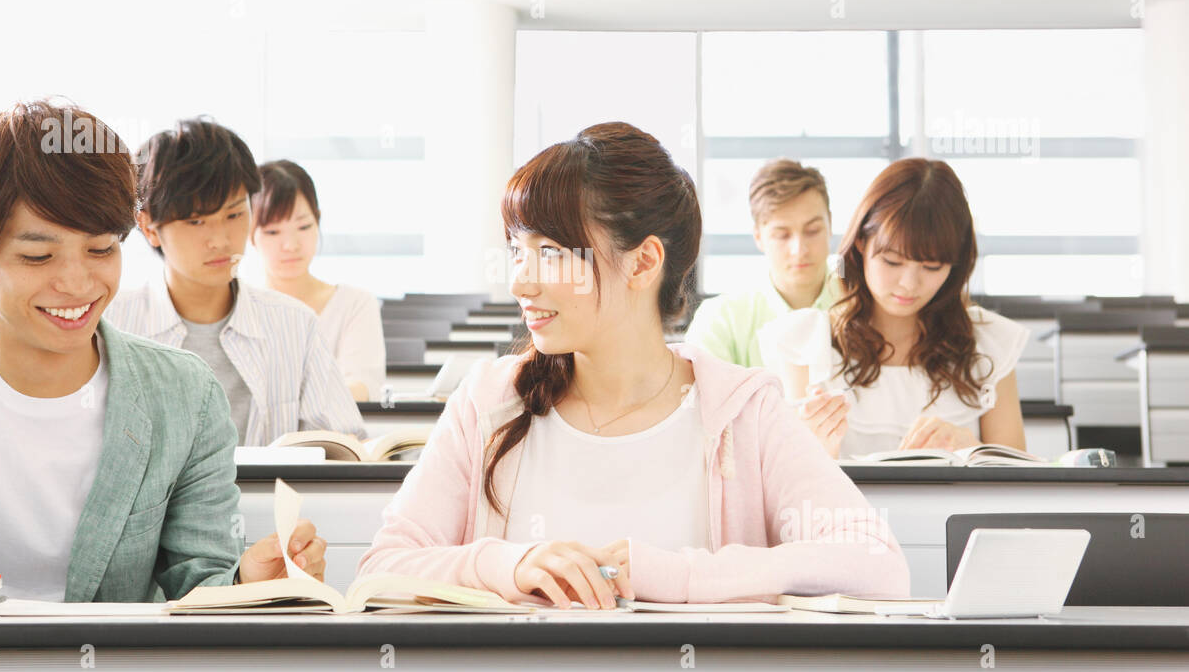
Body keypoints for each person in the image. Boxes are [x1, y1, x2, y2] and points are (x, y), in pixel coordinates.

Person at [356, 122, 908, 607]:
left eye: (550, 253)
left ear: (643, 262)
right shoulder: (489, 403)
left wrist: (679, 574)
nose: (520, 281)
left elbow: (878, 565)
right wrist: (508, 566)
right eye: (518, 251)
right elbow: (382, 569)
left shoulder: (742, 411)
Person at [0, 101, 327, 610]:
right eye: (38, 256)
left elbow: (199, 580)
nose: (77, 284)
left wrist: (246, 585)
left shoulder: (185, 395)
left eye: (101, 250)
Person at [105, 119, 364, 447]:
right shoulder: (112, 327)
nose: (220, 240)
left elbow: (344, 447)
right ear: (149, 227)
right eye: (196, 221)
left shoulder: (295, 325)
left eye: (233, 215)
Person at [759, 158, 1028, 460]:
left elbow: (1018, 485)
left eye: (931, 266)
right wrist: (818, 451)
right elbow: (786, 486)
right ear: (861, 242)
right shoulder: (805, 343)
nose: (908, 285)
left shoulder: (989, 343)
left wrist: (971, 448)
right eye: (892, 262)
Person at [250, 159, 384, 402]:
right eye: (272, 232)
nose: (290, 245)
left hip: (334, 439)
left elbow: (364, 388)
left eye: (303, 226)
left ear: (318, 221)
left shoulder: (354, 304)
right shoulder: (240, 311)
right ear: (250, 234)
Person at [684, 159, 839, 367]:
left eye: (813, 231)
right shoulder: (721, 319)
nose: (799, 249)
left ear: (830, 225)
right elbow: (701, 397)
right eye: (782, 235)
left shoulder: (866, 306)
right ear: (758, 236)